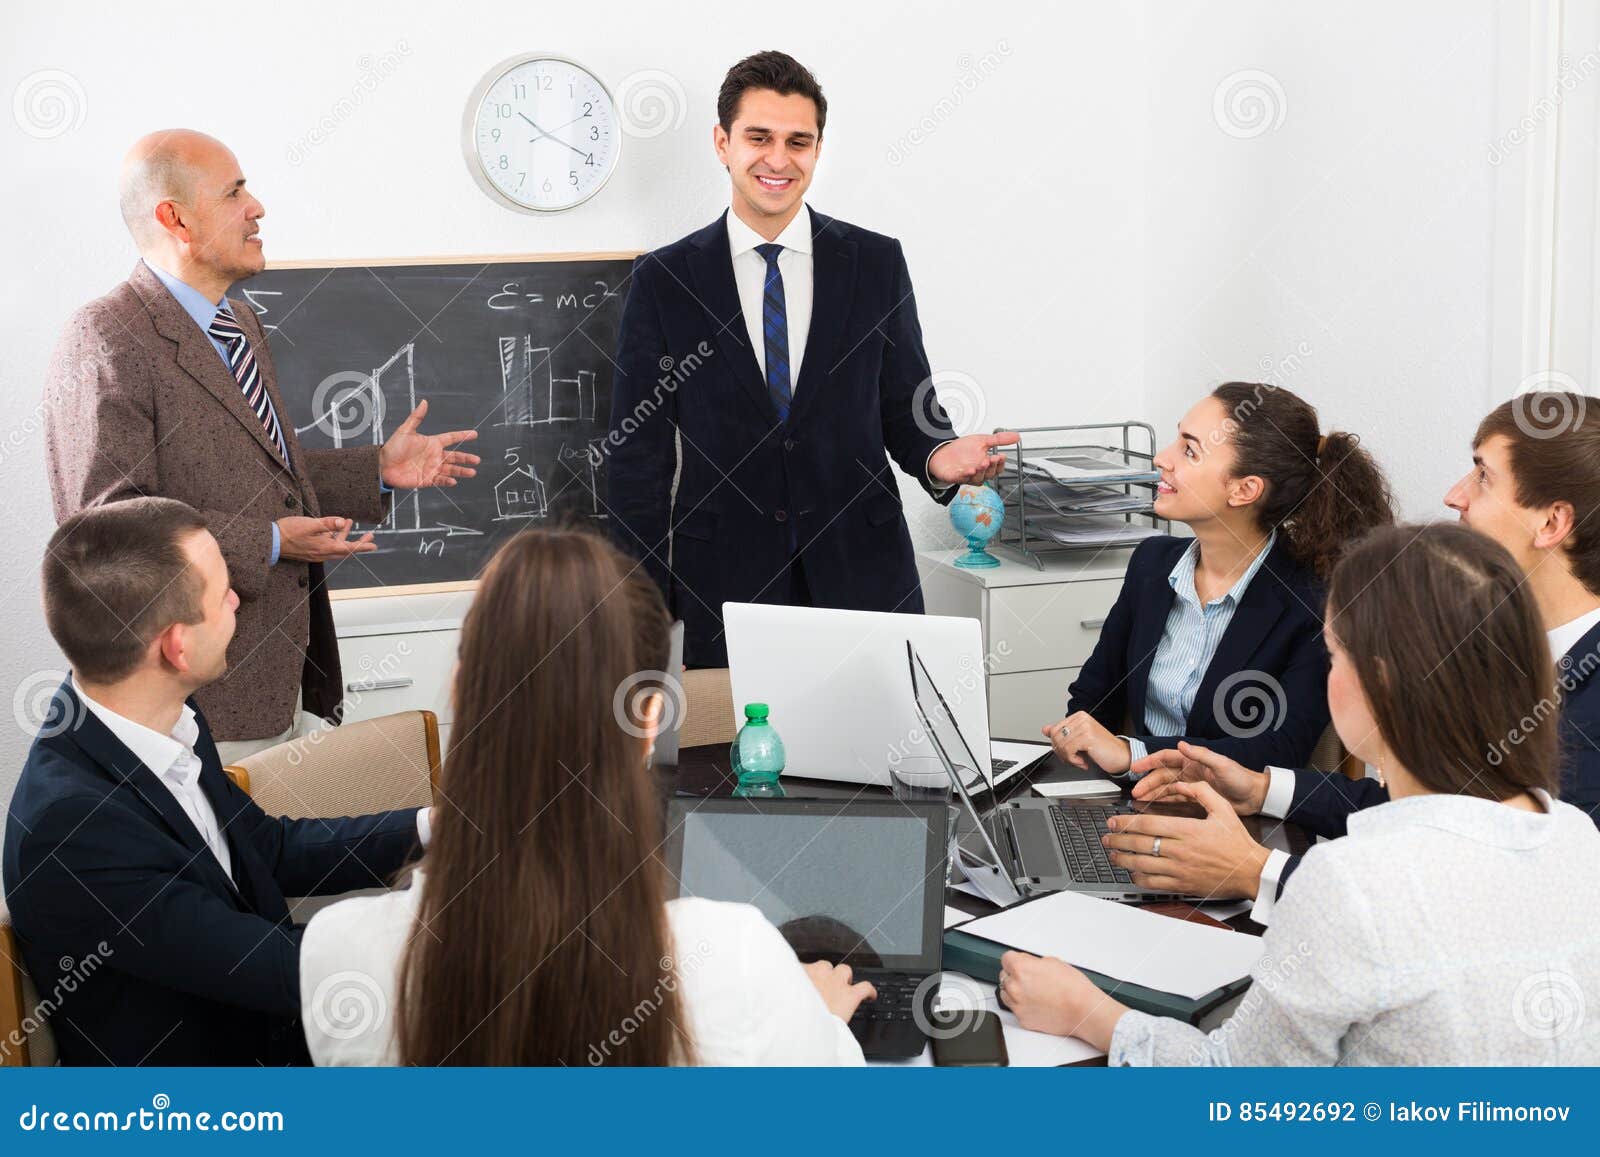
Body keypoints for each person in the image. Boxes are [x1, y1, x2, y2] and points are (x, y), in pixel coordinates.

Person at [1000, 523, 1600, 1065]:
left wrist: (1089, 1013)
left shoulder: (1350, 885)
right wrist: (1261, 788)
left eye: (1334, 656)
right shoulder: (1575, 835)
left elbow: (1235, 1094)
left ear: (1380, 681)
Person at [297, 528, 875, 1065]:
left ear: (459, 688)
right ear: (649, 721)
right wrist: (823, 1024)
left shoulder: (337, 952)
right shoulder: (737, 956)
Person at [43, 129, 480, 762]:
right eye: (234, 193)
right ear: (175, 219)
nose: (257, 208)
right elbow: (107, 532)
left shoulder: (239, 323)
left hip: (282, 680)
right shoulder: (106, 336)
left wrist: (376, 469)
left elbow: (257, 473)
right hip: (194, 703)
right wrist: (271, 541)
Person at [1115, 392, 1600, 920]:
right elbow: (1419, 813)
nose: (1454, 495)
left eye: (1483, 476)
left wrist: (1257, 871)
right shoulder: (1498, 647)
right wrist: (1260, 788)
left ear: (1551, 523)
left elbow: (1494, 900)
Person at [606, 51, 1017, 668]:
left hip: (865, 578)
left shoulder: (875, 263)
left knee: (880, 734)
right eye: (758, 138)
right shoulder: (665, 279)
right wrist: (641, 607)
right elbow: (637, 463)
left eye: (798, 142)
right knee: (734, 736)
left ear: (818, 150)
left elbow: (907, 406)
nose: (778, 159)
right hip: (724, 587)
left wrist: (940, 455)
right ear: (722, 143)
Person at [1, 498, 430, 1066]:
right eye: (223, 592)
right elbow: (274, 971)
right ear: (177, 646)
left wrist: (435, 829)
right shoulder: (74, 830)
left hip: (269, 1023)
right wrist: (459, 934)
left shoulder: (169, 715)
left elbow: (266, 849)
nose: (236, 601)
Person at [1044, 382, 1393, 775]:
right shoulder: (1151, 564)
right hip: (1135, 795)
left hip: (1235, 809)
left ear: (1244, 490)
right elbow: (1094, 695)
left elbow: (1280, 750)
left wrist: (1131, 753)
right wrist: (1080, 736)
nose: (1162, 458)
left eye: (1189, 450)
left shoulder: (1313, 599)